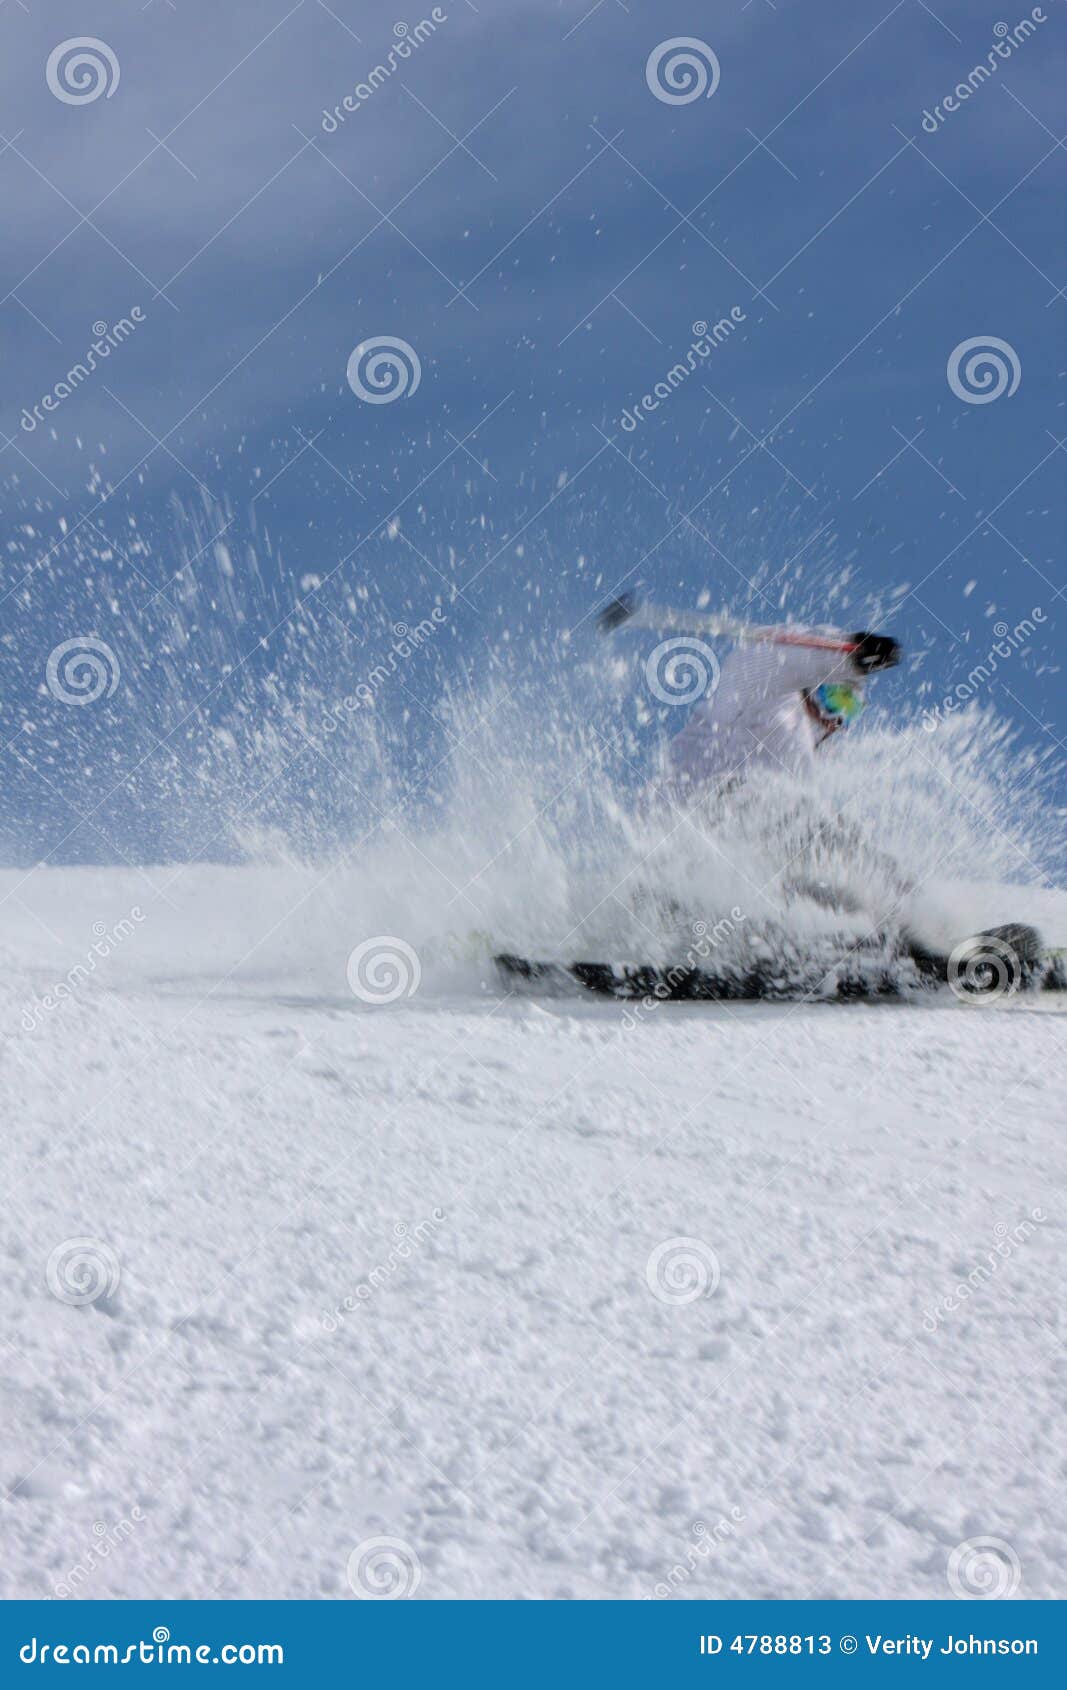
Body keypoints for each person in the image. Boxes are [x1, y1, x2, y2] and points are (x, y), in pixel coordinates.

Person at [666, 629, 901, 797]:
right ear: (811, 687)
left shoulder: (812, 758)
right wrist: (848, 654)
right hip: (706, 787)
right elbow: (784, 658)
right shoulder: (774, 700)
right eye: (833, 697)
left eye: (849, 708)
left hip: (758, 823)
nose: (834, 717)